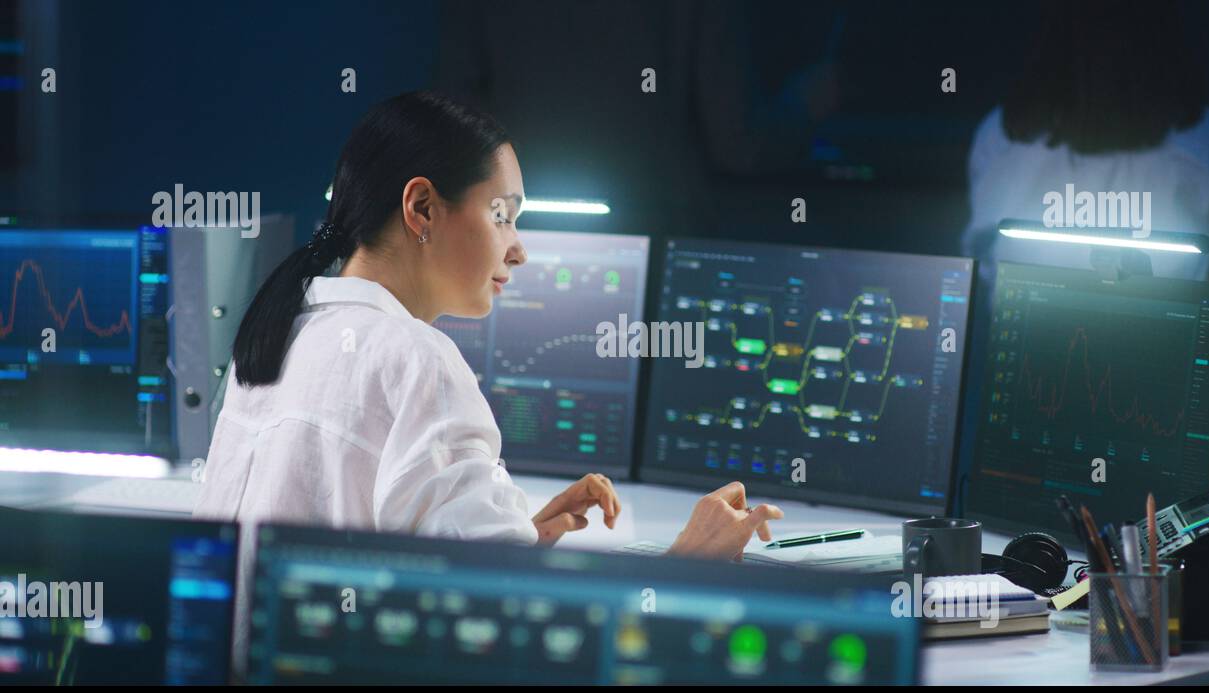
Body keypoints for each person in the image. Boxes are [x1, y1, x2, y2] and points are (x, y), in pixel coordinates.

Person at [194, 91, 782, 562]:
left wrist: (510, 539)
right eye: (502, 215)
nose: (519, 249)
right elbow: (510, 638)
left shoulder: (281, 334)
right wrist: (687, 563)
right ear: (422, 208)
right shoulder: (417, 360)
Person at [961, 0, 1209, 284]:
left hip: (1038, 333)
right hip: (1157, 334)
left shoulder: (1001, 134)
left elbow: (985, 264)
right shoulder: (1206, 138)